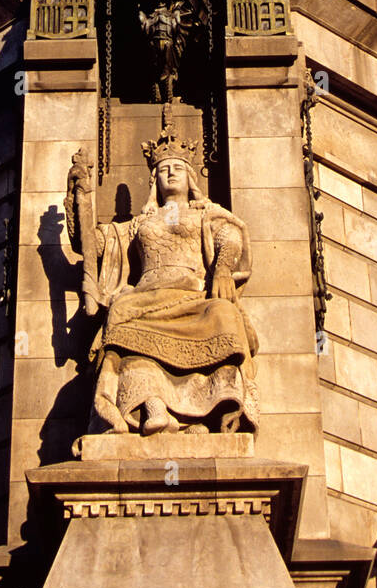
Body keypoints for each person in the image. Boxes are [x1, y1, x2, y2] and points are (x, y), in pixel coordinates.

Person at [71, 122, 259, 436]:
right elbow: (89, 244)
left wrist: (223, 269)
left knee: (225, 314)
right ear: (153, 180)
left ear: (190, 178)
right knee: (121, 317)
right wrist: (81, 196)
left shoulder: (205, 214)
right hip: (146, 295)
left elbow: (230, 239)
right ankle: (153, 407)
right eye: (162, 170)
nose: (169, 173)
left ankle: (209, 414)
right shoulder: (136, 225)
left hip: (191, 295)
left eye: (177, 168)